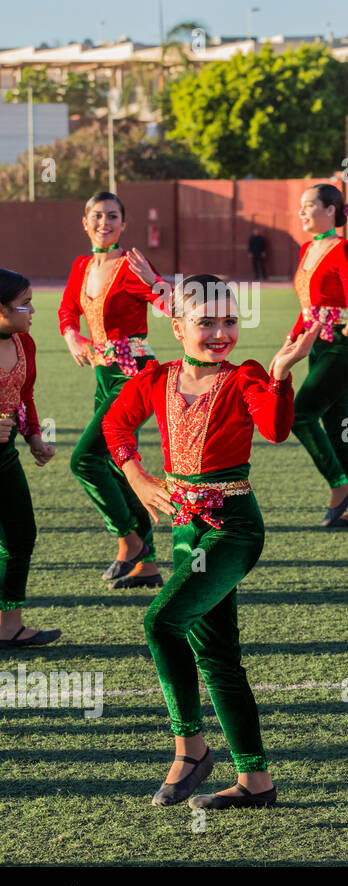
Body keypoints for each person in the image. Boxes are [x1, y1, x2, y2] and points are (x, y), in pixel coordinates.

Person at [103, 273, 318, 808]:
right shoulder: (157, 378)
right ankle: (256, 783)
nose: (220, 332)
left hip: (234, 528)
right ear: (177, 327)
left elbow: (274, 429)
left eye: (230, 320)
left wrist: (280, 374)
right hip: (184, 529)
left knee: (160, 621)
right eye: (206, 322)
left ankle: (190, 748)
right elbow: (115, 425)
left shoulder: (244, 375)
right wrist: (138, 478)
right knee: (217, 655)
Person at [58, 191, 166, 589]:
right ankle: (148, 564)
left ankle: (128, 540)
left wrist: (156, 283)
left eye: (113, 216)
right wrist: (73, 338)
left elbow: (166, 303)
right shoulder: (82, 265)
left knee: (85, 460)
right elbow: (67, 309)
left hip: (134, 375)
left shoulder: (131, 264)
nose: (105, 223)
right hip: (103, 375)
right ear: (85, 222)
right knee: (118, 465)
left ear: (124, 223)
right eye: (98, 216)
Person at [289, 182, 348, 528]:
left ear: (330, 211)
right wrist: (293, 337)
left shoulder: (343, 247)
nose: (302, 212)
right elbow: (309, 306)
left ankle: (341, 487)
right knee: (339, 428)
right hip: (317, 343)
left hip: (342, 344)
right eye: (301, 206)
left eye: (309, 205)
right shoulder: (307, 248)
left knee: (300, 414)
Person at [0, 269, 59, 648]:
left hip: (5, 457)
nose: (32, 309)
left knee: (20, 537)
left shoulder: (26, 344)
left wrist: (35, 437)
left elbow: (25, 397)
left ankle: (8, 626)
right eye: (25, 303)